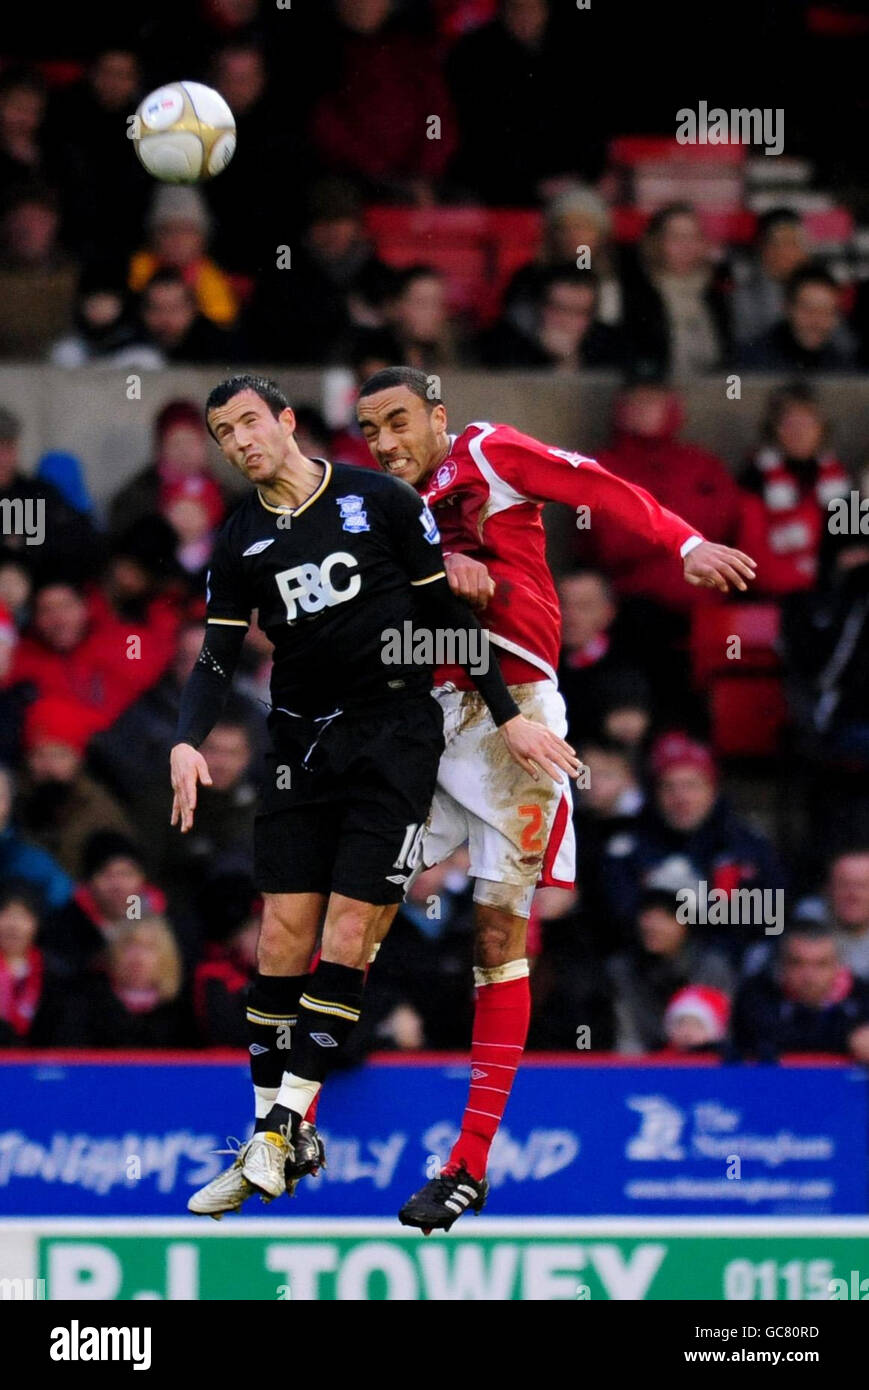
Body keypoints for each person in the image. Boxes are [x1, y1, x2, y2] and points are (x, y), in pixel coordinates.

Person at [352, 365, 755, 1229]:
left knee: (501, 932)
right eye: (368, 431)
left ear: (437, 416)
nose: (384, 443)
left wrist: (684, 544)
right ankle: (288, 1121)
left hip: (516, 712)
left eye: (397, 423)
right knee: (343, 908)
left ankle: (467, 1163)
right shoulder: (378, 511)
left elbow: (596, 487)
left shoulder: (488, 452)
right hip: (420, 720)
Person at [173, 374, 576, 1219]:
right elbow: (214, 659)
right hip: (307, 746)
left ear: (285, 422)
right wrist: (186, 736)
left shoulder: (382, 501)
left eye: (250, 420)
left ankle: (451, 1160)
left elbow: (444, 617)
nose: (241, 440)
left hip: (413, 738)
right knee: (292, 935)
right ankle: (278, 1131)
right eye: (223, 432)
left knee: (449, 936)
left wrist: (509, 718)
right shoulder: (241, 539)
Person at [738, 382, 850, 597]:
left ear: (822, 428)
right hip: (776, 592)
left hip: (830, 591)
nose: (799, 432)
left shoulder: (836, 477)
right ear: (774, 429)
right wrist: (817, 574)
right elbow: (752, 554)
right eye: (790, 423)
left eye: (808, 422)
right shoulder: (755, 478)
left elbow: (848, 541)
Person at [728, 924, 869, 1063]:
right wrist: (848, 1039)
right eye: (797, 963)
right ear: (781, 964)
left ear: (839, 966)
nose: (809, 976)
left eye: (821, 964)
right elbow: (766, 1040)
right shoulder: (756, 995)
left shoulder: (862, 996)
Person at [737, 265, 858, 373]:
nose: (817, 322)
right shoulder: (748, 363)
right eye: (808, 310)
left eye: (827, 312)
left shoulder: (842, 367)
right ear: (787, 308)